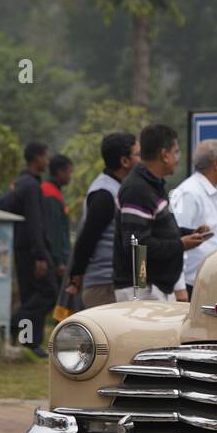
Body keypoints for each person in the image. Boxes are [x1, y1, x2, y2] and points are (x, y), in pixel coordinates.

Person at [114, 124, 208, 301]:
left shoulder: (153, 184)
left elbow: (156, 231)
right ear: (165, 155)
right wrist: (180, 244)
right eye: (176, 152)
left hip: (155, 287)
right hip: (141, 288)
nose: (178, 158)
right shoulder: (137, 189)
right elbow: (136, 246)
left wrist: (190, 234)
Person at [68, 132, 139, 309]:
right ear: (124, 161)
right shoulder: (105, 193)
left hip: (115, 283)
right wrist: (76, 273)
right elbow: (87, 238)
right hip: (105, 285)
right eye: (138, 154)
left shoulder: (119, 188)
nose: (143, 159)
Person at [0, 142, 55, 356]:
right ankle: (13, 323)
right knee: (48, 292)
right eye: (45, 156)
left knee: (30, 295)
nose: (47, 161)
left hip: (21, 248)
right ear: (37, 158)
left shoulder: (19, 183)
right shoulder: (30, 186)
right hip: (33, 250)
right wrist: (40, 255)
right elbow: (34, 222)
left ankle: (29, 342)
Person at [171, 139, 217, 298]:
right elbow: (177, 238)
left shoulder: (214, 191)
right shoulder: (188, 193)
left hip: (213, 281)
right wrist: (179, 286)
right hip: (193, 284)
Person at [42, 154, 73, 286]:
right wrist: (59, 262)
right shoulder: (50, 194)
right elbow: (54, 231)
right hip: (54, 262)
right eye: (69, 172)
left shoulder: (54, 191)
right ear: (60, 171)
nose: (70, 176)